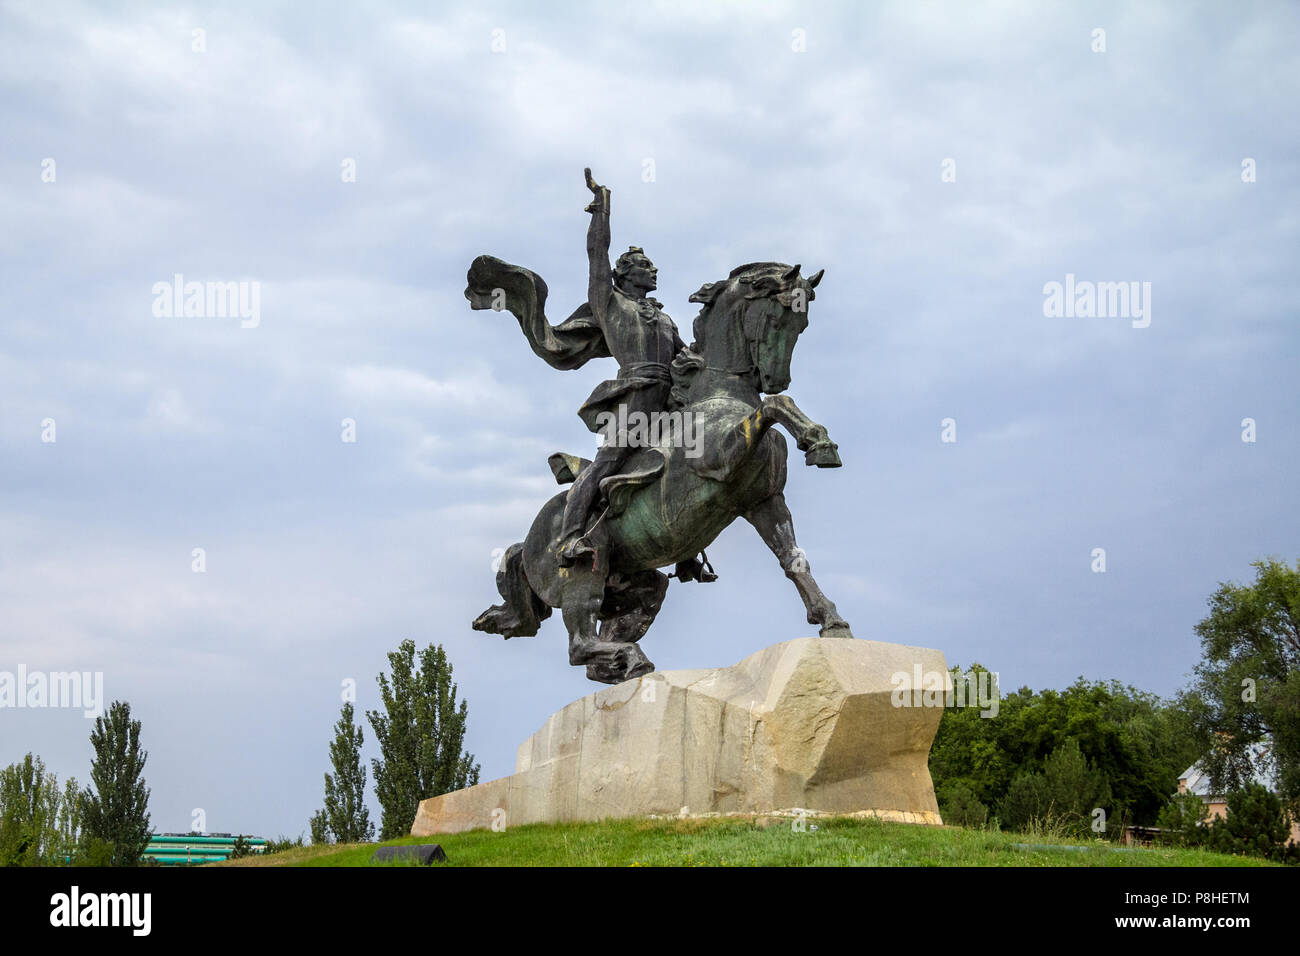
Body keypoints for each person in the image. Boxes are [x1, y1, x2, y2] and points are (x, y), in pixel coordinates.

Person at [557, 169, 687, 566]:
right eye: (646, 265)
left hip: (669, 402)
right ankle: (570, 537)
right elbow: (597, 254)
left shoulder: (666, 320)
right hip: (633, 398)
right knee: (608, 463)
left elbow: (686, 358)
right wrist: (602, 210)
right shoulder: (610, 303)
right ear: (625, 273)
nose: (654, 270)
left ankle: (687, 551)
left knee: (695, 459)